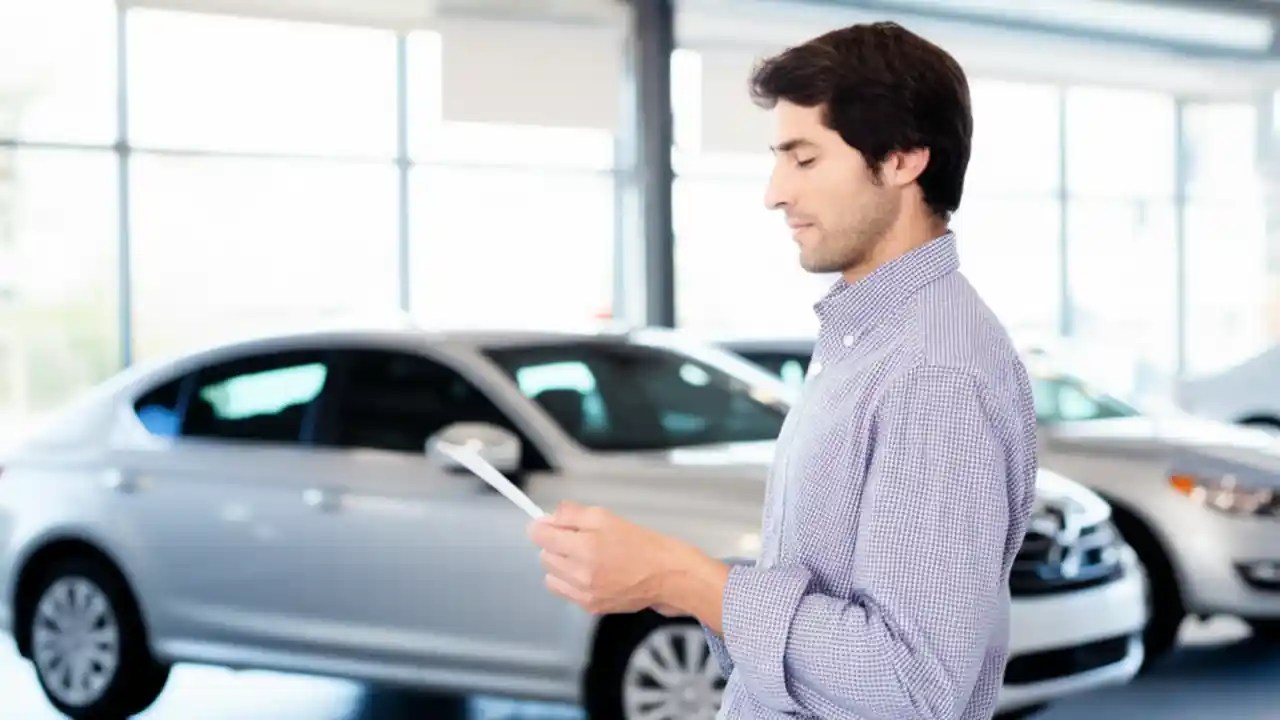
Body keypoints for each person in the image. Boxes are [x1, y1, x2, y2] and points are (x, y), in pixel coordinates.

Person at [527, 21, 1038, 720]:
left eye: (803, 160)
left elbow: (909, 688)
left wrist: (686, 577)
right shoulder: (870, 339)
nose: (774, 193)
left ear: (903, 160)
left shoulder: (934, 374)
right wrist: (672, 583)